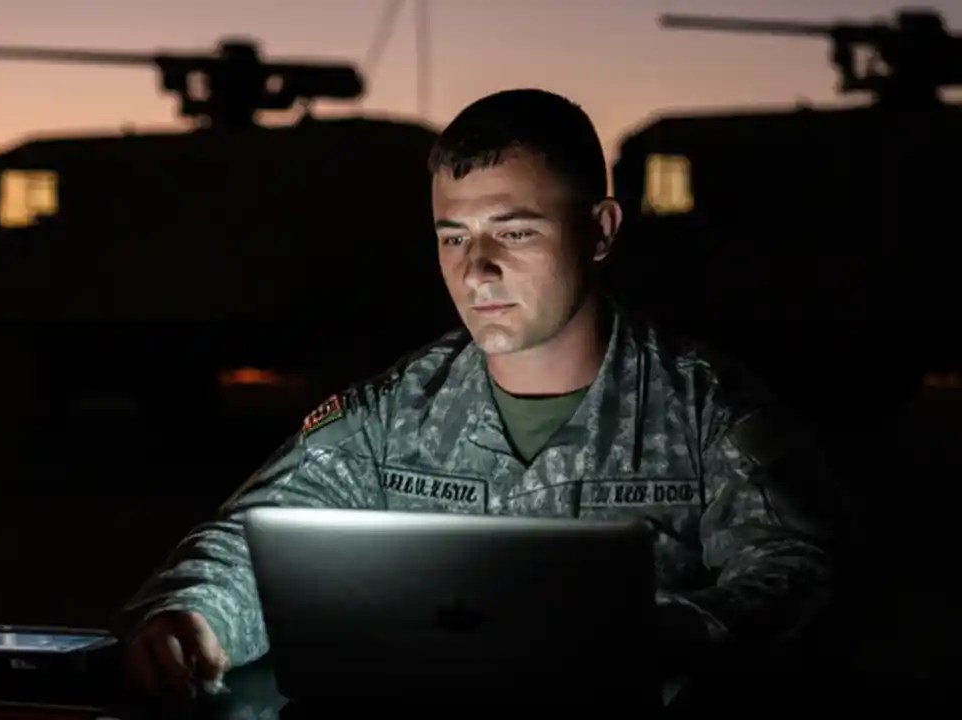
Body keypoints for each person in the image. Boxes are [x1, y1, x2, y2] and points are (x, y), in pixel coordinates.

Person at [112, 88, 846, 704]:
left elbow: (796, 574)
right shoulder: (390, 416)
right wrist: (195, 617)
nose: (477, 271)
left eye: (515, 232)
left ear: (599, 230)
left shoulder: (708, 414)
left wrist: (659, 634)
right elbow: (249, 539)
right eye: (453, 237)